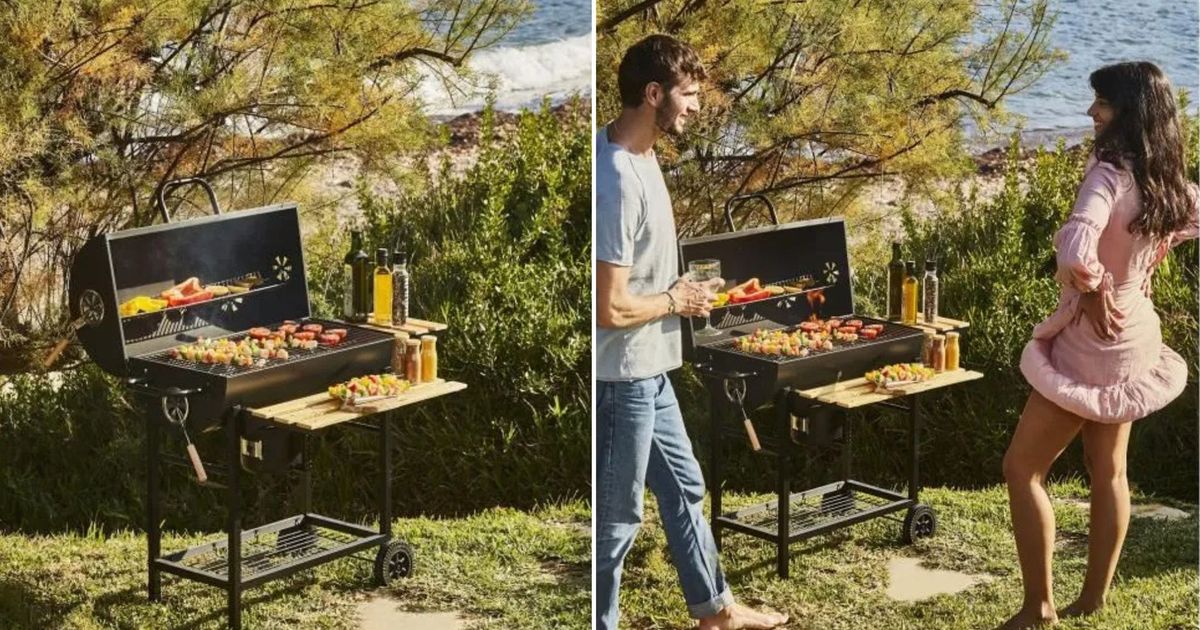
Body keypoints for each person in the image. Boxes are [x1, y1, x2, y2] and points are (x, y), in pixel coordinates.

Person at [594, 34, 790, 630]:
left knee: (685, 488)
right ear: (654, 94)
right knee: (618, 522)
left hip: (649, 367)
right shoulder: (617, 180)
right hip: (620, 377)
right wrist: (675, 299)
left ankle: (716, 611)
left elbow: (639, 283)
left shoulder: (646, 157)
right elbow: (609, 308)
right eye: (689, 94)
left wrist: (684, 294)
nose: (698, 107)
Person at [1000, 61, 1198, 629]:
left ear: (1129, 112)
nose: (1092, 113)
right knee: (1108, 470)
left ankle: (1038, 608)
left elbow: (1079, 238)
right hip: (1135, 331)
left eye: (1102, 104)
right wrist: (1140, 267)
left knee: (1022, 468)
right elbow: (1181, 220)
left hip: (1094, 340)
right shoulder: (1166, 177)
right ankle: (1092, 600)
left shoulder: (1109, 173)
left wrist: (1088, 284)